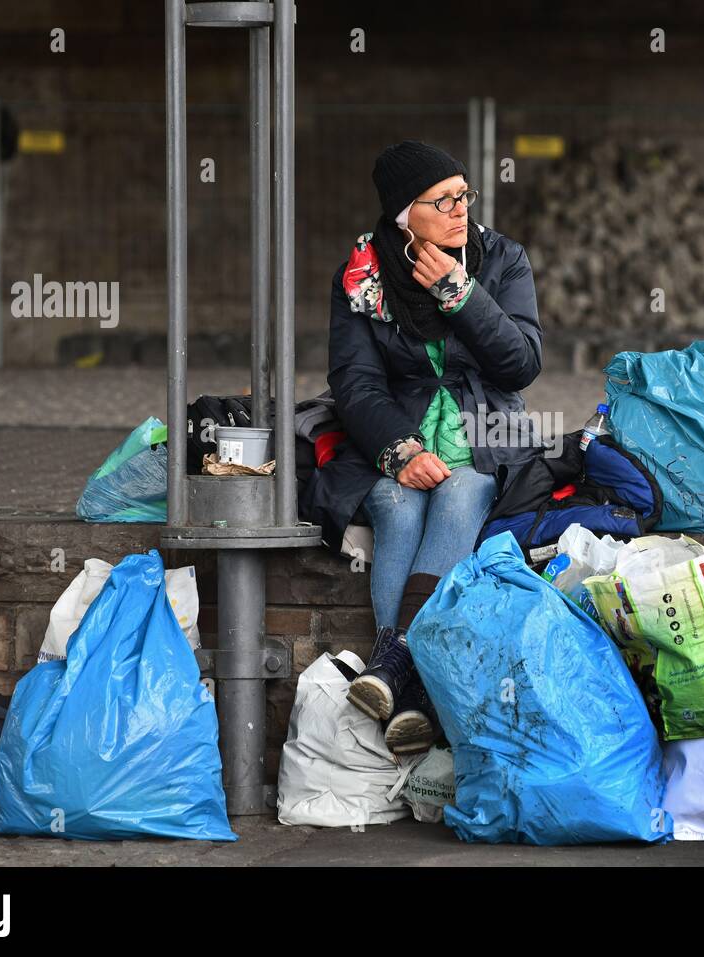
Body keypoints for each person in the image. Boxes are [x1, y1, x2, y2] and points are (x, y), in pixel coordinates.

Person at [302, 140, 544, 753]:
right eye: (444, 200)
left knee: (462, 491)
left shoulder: (501, 260)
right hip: (393, 440)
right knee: (396, 504)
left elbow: (520, 364)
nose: (462, 209)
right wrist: (401, 452)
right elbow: (355, 383)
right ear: (406, 213)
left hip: (485, 437)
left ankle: (394, 668)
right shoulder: (362, 275)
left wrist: (461, 294)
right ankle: (412, 694)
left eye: (465, 195)